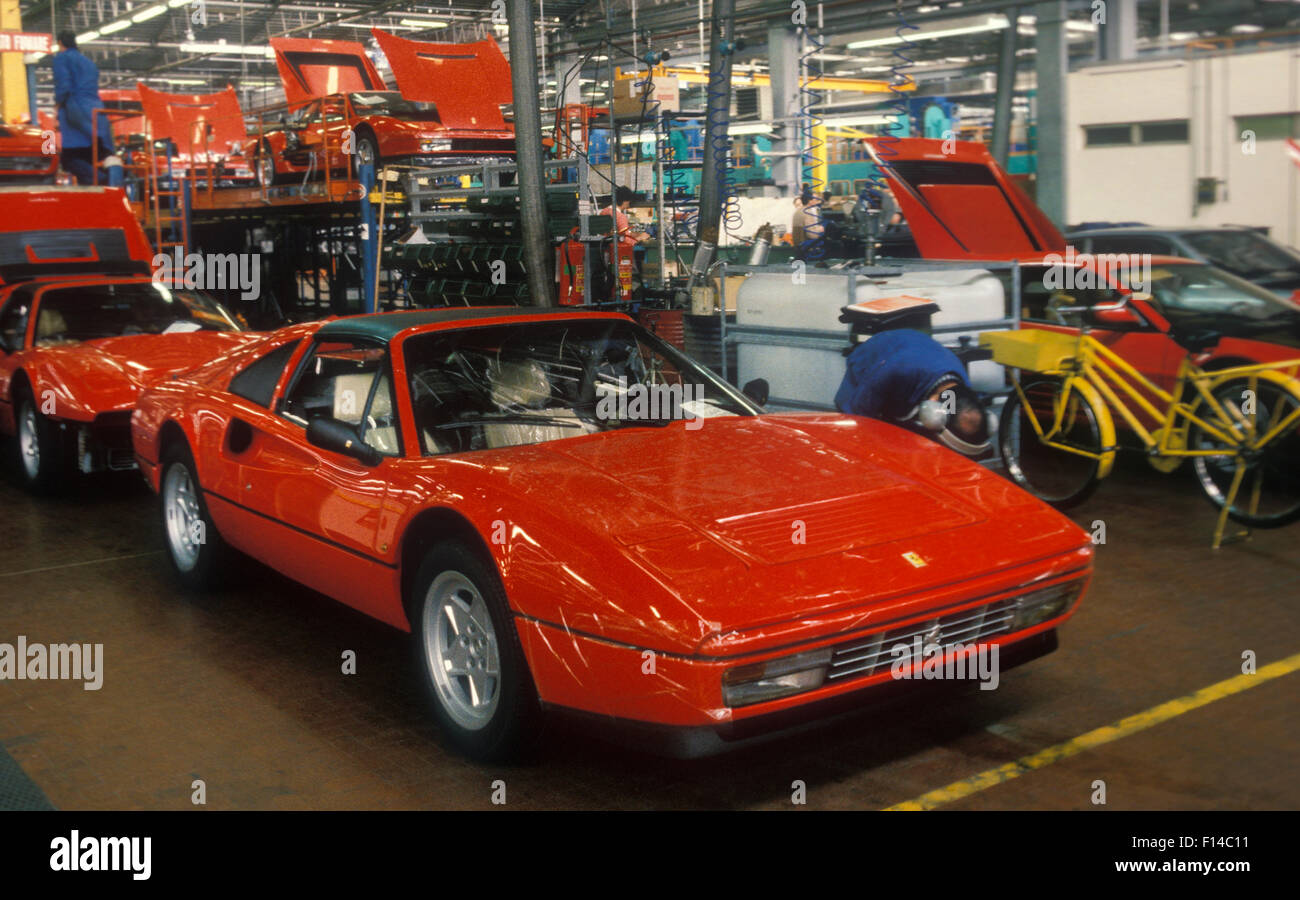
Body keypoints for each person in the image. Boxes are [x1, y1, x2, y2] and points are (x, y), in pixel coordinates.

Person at [834, 328, 990, 456]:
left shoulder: (961, 385)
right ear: (934, 410)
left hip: (915, 355)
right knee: (856, 430)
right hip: (875, 354)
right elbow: (858, 415)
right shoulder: (894, 371)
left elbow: (953, 407)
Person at [52, 31, 114, 185]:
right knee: (96, 154)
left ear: (60, 43)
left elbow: (64, 86)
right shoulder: (89, 62)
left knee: (69, 158)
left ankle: (98, 179)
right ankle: (106, 183)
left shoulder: (62, 58)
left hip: (76, 110)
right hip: (97, 111)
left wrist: (56, 109)